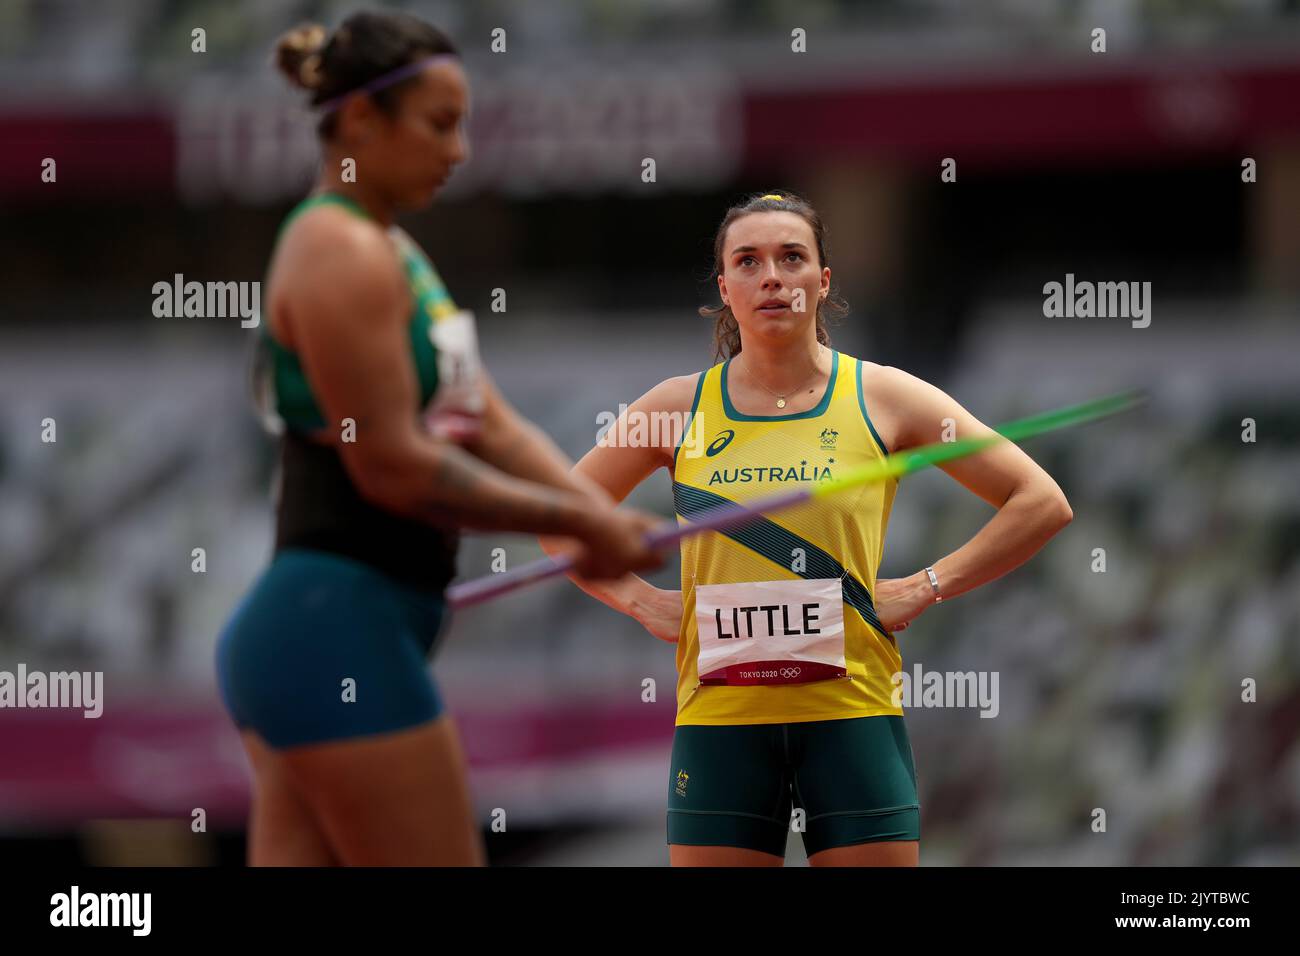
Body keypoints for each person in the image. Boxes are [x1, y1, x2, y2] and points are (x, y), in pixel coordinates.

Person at [215, 11, 662, 866]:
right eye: (439, 124)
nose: (459, 152)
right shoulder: (338, 249)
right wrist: (581, 523)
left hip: (322, 634)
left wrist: (590, 512)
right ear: (360, 121)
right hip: (332, 629)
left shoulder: (396, 254)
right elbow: (393, 467)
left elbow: (484, 420)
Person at [541, 191, 1073, 866]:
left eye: (791, 257)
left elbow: (1040, 501)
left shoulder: (885, 396)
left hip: (852, 719)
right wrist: (640, 601)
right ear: (725, 288)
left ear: (822, 282)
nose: (771, 276)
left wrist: (927, 585)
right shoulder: (676, 408)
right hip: (722, 724)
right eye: (748, 261)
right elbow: (558, 518)